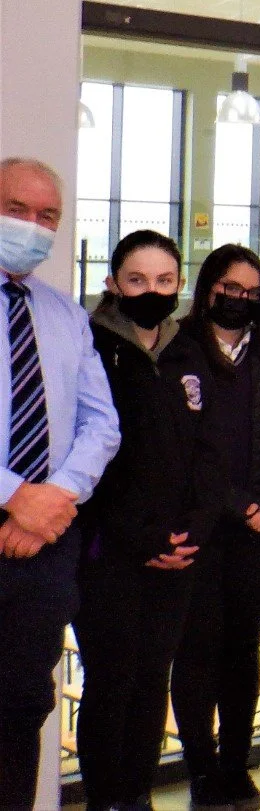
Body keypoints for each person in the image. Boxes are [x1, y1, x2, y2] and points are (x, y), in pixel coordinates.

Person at [76, 229, 226, 811]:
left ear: (181, 284)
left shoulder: (190, 350)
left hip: (179, 552)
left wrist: (192, 530)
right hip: (111, 553)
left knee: (151, 682)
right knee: (111, 684)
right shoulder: (91, 348)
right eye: (137, 280)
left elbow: (211, 454)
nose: (151, 290)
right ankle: (104, 800)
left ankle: (136, 796)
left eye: (164, 280)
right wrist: (139, 538)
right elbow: (91, 455)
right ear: (114, 283)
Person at [0, 157, 119, 811]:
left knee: (23, 705)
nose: (34, 226)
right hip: (24, 511)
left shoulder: (65, 313)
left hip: (48, 540)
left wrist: (52, 496)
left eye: (48, 216)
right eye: (18, 209)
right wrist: (15, 494)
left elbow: (102, 425)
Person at [171, 245, 260, 811]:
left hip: (259, 531)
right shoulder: (180, 348)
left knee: (243, 647)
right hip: (202, 524)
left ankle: (236, 764)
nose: (240, 299)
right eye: (230, 288)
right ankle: (201, 769)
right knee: (197, 648)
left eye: (251, 292)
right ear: (207, 288)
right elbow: (184, 448)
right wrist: (237, 504)